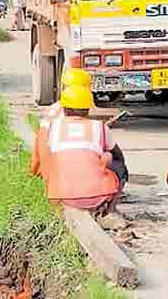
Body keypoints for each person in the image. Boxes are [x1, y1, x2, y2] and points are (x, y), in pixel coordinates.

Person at [30, 85, 127, 216]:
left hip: (58, 197)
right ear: (88, 109)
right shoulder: (99, 127)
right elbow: (118, 156)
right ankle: (109, 211)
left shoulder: (52, 127)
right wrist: (104, 156)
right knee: (119, 166)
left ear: (64, 109)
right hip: (97, 198)